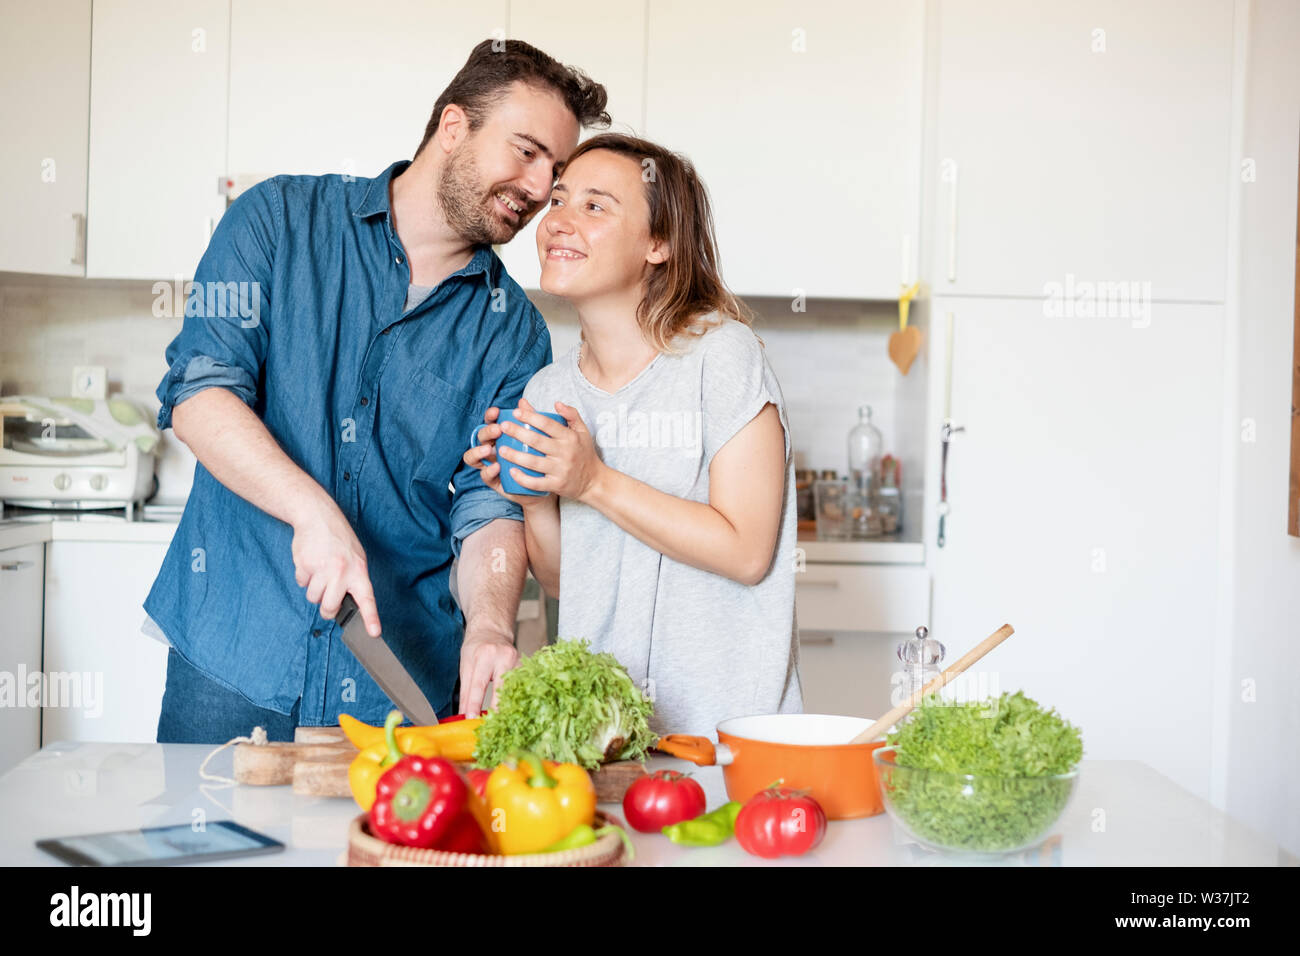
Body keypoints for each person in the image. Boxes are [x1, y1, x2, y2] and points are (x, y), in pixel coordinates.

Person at [146, 40, 610, 743]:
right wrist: (312, 510)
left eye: (555, 169)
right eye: (526, 151)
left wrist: (488, 624)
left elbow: (489, 502)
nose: (541, 187)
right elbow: (201, 393)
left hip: (393, 688)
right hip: (231, 654)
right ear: (454, 127)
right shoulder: (277, 221)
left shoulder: (513, 332)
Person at [464, 133, 802, 735]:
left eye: (596, 206)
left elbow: (748, 552)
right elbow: (568, 581)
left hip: (729, 737)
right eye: (559, 201)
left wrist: (592, 481)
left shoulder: (721, 356)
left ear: (658, 243)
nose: (560, 221)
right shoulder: (547, 392)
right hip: (611, 739)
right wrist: (533, 495)